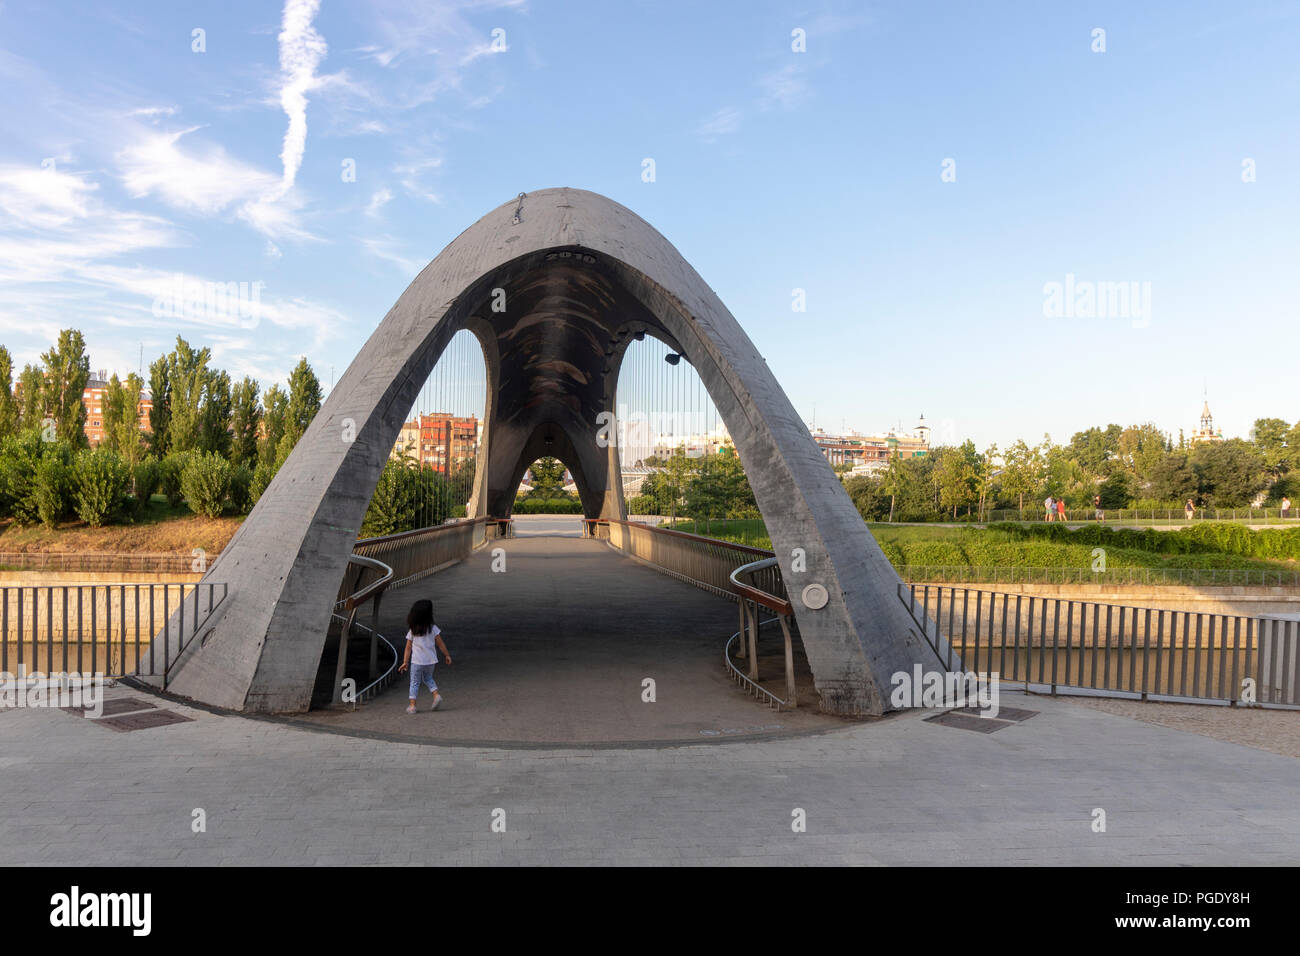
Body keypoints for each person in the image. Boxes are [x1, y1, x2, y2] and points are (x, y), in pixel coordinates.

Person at [397, 598, 452, 714]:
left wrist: (405, 662)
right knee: (428, 678)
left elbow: (408, 647)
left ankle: (412, 706)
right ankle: (436, 695)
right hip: (431, 661)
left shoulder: (413, 630)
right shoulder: (433, 628)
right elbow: (440, 643)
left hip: (417, 661)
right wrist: (447, 655)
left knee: (414, 682)